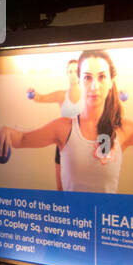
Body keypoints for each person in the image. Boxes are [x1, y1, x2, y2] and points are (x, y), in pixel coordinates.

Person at [0, 49, 133, 193]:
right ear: (80, 80)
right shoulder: (63, 127)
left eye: (102, 77)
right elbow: (22, 138)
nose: (94, 86)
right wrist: (7, 131)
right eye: (87, 77)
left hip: (105, 224)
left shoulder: (124, 129)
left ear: (111, 82)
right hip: (73, 224)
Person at [28, 59, 83, 191]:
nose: (73, 74)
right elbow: (41, 98)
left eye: (76, 71)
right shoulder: (61, 95)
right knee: (61, 189)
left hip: (82, 147)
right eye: (70, 71)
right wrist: (33, 93)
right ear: (67, 73)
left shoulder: (89, 95)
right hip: (63, 145)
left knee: (82, 187)